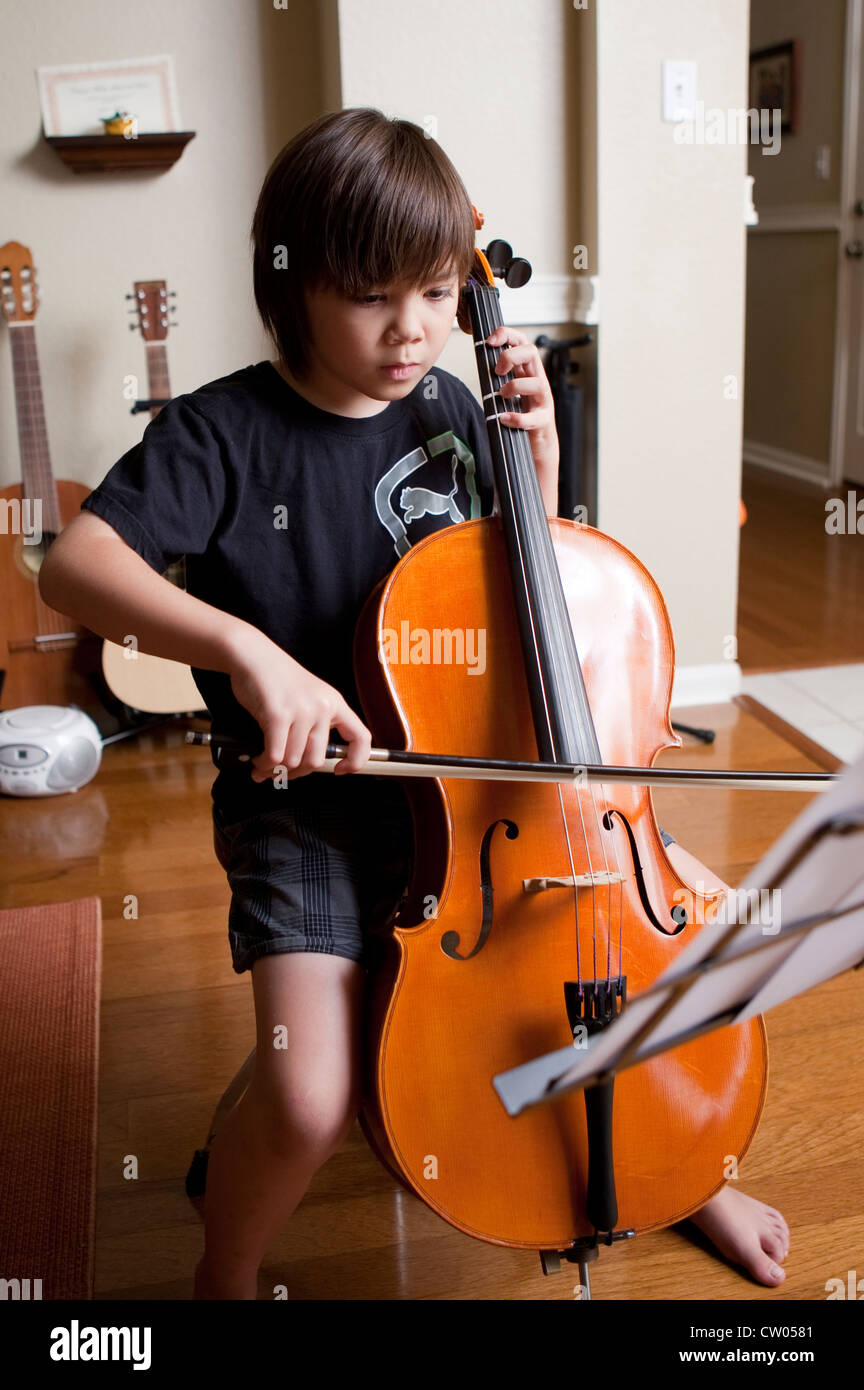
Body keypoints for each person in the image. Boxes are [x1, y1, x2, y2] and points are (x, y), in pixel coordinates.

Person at [39, 107, 789, 1300]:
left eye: (439, 293)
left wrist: (535, 476)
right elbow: (73, 568)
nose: (413, 330)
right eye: (372, 295)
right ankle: (222, 1273)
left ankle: (679, 1166)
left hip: (493, 803)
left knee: (632, 977)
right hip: (313, 816)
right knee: (309, 1095)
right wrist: (245, 653)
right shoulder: (221, 435)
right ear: (290, 286)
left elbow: (535, 613)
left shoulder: (457, 410)